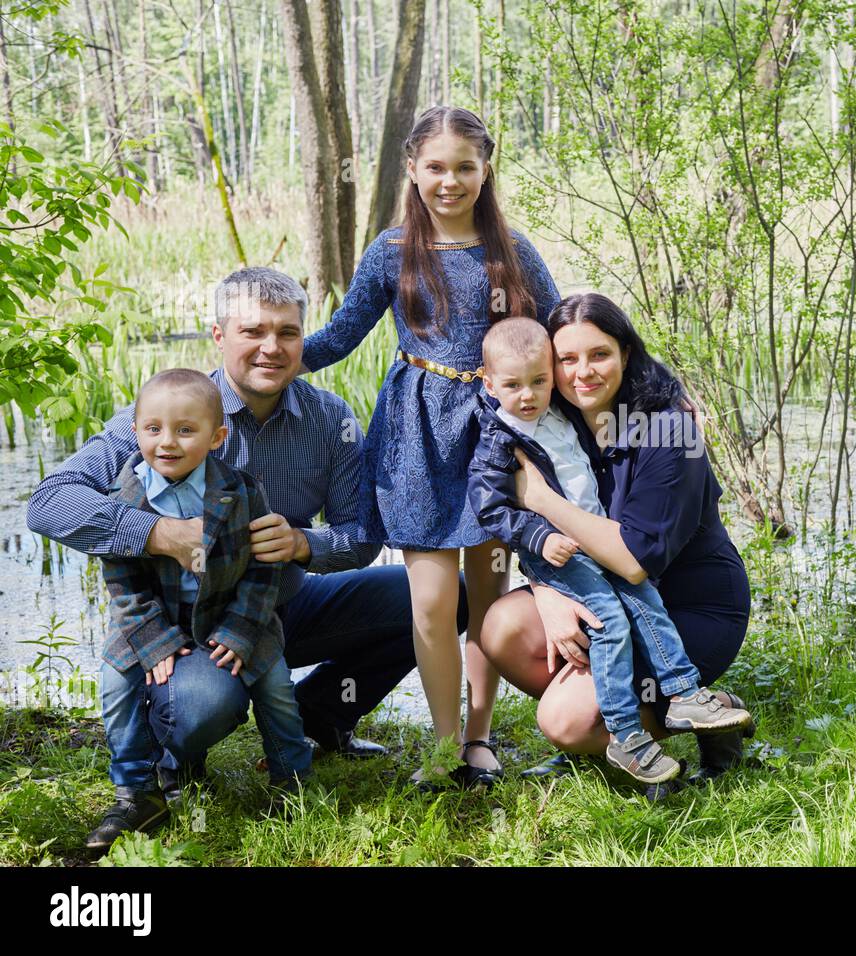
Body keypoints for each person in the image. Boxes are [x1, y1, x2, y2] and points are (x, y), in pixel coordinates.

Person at [26, 267, 462, 804]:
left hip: (285, 603)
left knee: (441, 599)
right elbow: (49, 502)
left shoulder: (331, 420)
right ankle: (173, 755)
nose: (271, 348)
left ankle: (320, 718)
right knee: (204, 705)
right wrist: (160, 533)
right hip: (193, 625)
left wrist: (304, 544)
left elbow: (363, 534)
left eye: (287, 333)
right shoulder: (172, 413)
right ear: (219, 336)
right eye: (252, 332)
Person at [298, 106, 560, 787]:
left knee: (488, 597)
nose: (450, 180)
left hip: (492, 437)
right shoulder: (391, 252)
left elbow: (558, 336)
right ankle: (443, 749)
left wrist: (636, 393)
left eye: (465, 167)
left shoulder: (512, 250)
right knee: (431, 604)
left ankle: (479, 740)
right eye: (436, 167)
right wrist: (263, 357)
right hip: (415, 438)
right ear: (412, 170)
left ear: (486, 167)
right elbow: (336, 339)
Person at [479, 293, 753, 784]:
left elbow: (634, 560)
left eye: (599, 354)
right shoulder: (551, 421)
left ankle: (699, 715)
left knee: (565, 720)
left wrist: (541, 499)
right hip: (602, 589)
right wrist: (546, 592)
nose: (582, 372)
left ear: (626, 354)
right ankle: (609, 729)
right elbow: (493, 392)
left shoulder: (669, 430)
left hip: (685, 604)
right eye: (567, 359)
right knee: (503, 626)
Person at [85, 369, 312, 851]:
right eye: (153, 429)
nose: (167, 442)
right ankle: (136, 793)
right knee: (114, 682)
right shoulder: (126, 496)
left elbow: (263, 569)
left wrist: (241, 631)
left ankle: (291, 781)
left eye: (186, 430)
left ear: (217, 437)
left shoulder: (242, 490)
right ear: (136, 431)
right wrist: (154, 639)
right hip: (150, 618)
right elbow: (122, 578)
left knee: (274, 686)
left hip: (229, 616)